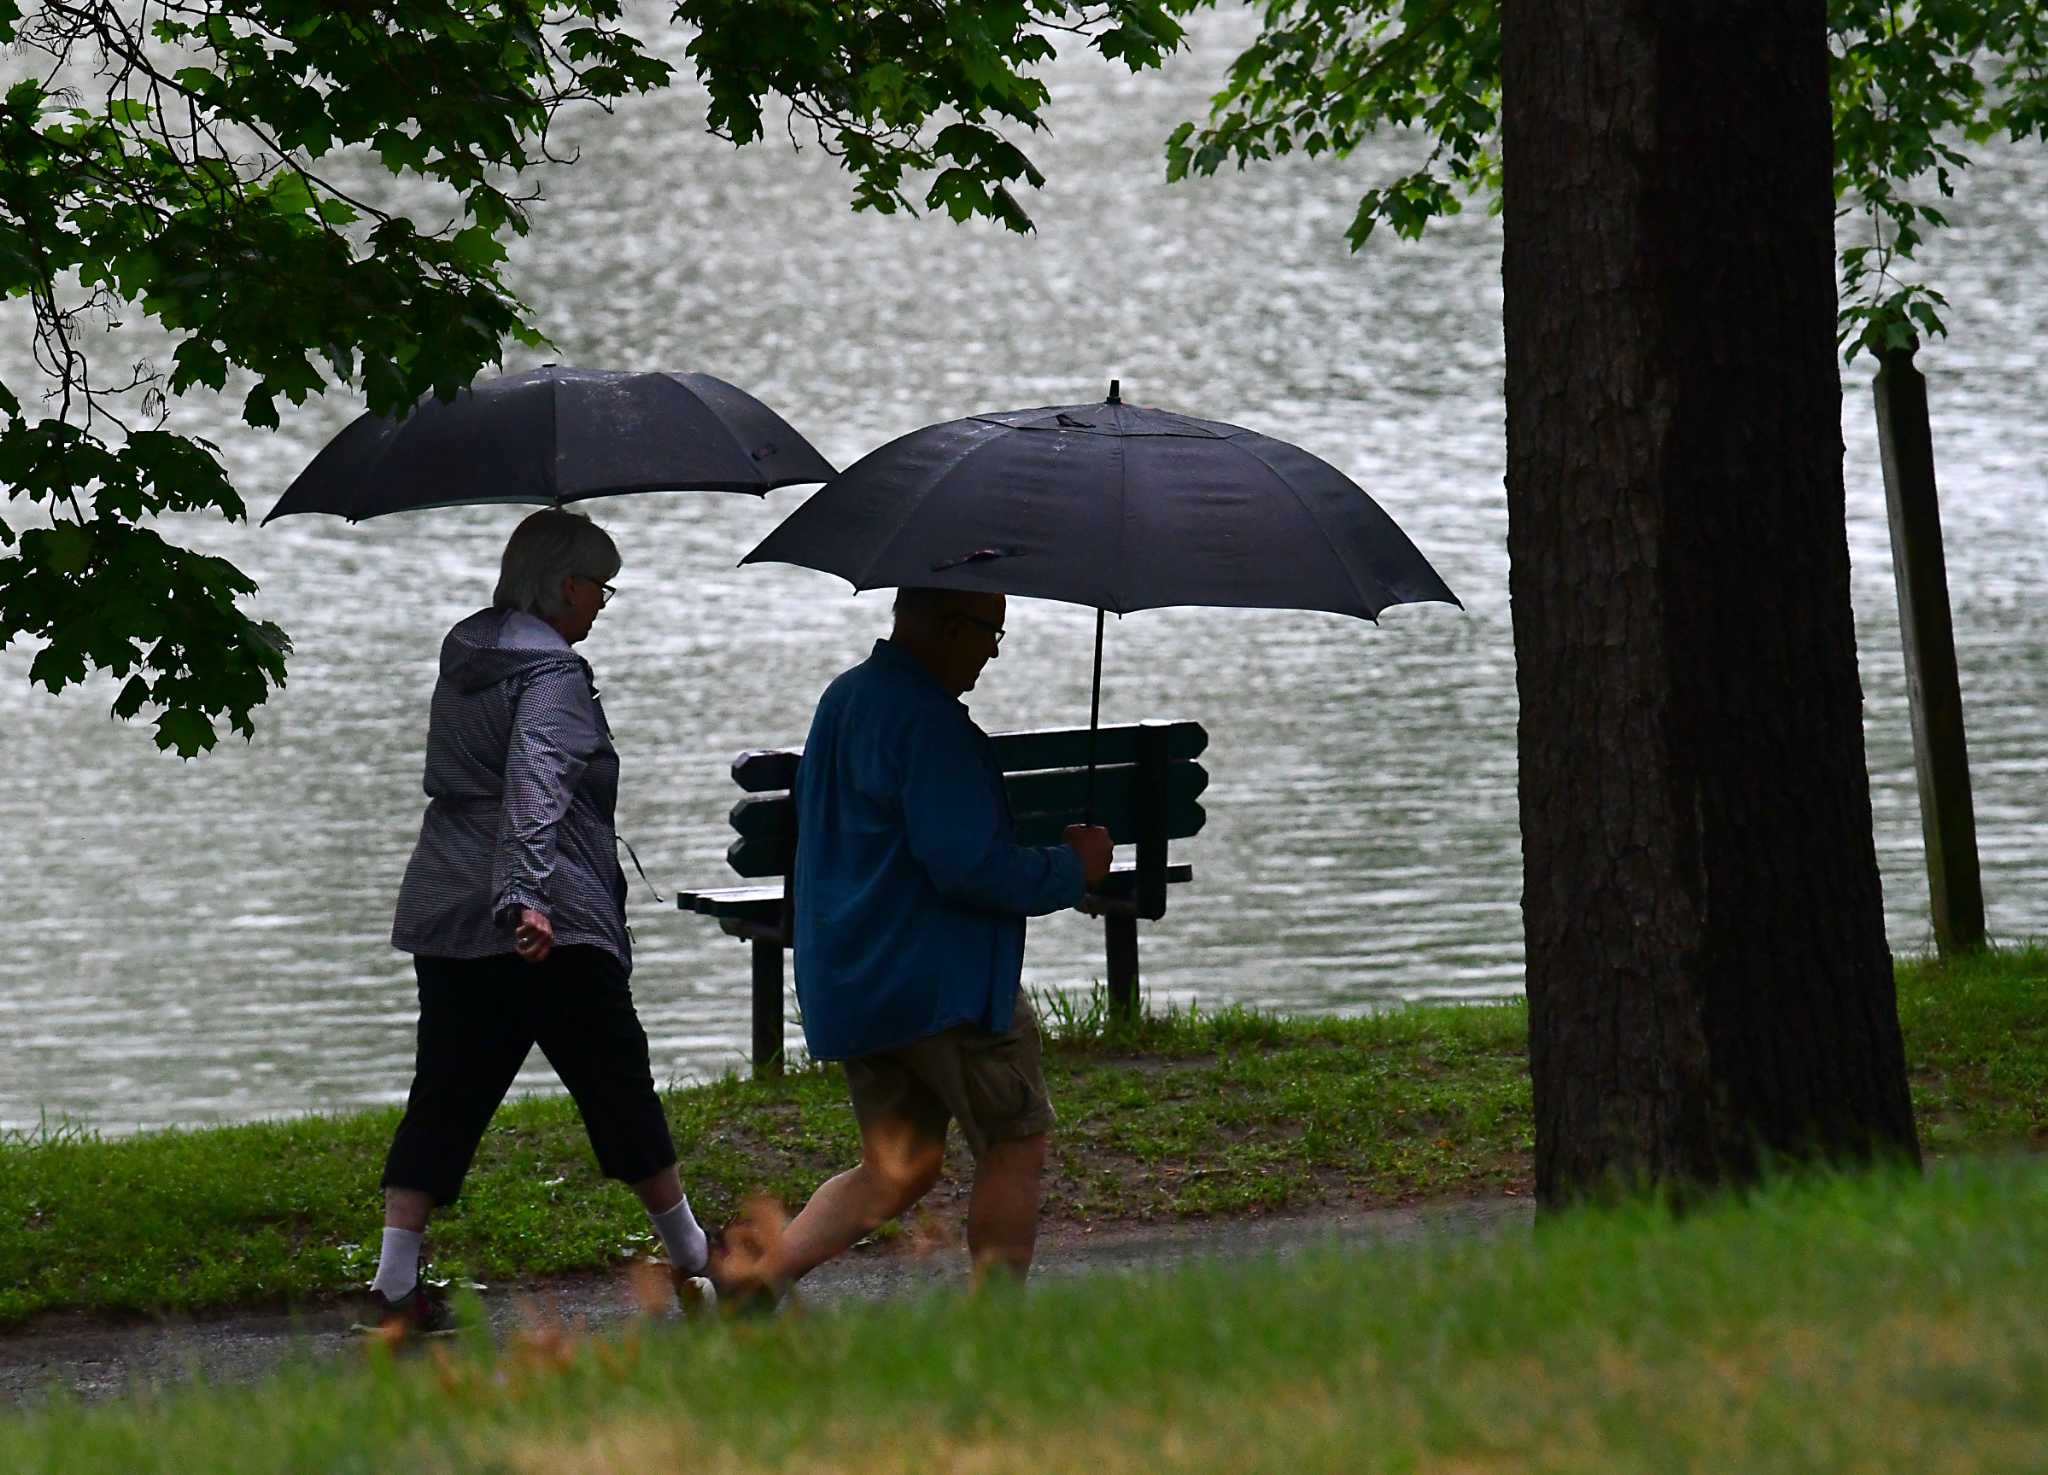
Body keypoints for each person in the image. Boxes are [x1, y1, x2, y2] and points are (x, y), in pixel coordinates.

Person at [361, 508, 712, 1335]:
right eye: (600, 587)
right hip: (547, 919)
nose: (602, 604)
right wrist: (525, 895)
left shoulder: (470, 656)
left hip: (448, 904)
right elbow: (536, 780)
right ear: (564, 586)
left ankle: (392, 1286)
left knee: (445, 1087)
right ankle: (699, 1260)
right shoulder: (551, 675)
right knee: (616, 1078)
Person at [720, 586, 1112, 1303]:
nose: (991, 654)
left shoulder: (843, 699)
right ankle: (996, 1330)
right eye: (987, 633)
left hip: (854, 980)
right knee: (1013, 1139)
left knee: (895, 1166)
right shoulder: (933, 728)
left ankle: (756, 1280)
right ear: (941, 624)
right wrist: (1071, 869)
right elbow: (967, 867)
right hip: (944, 986)